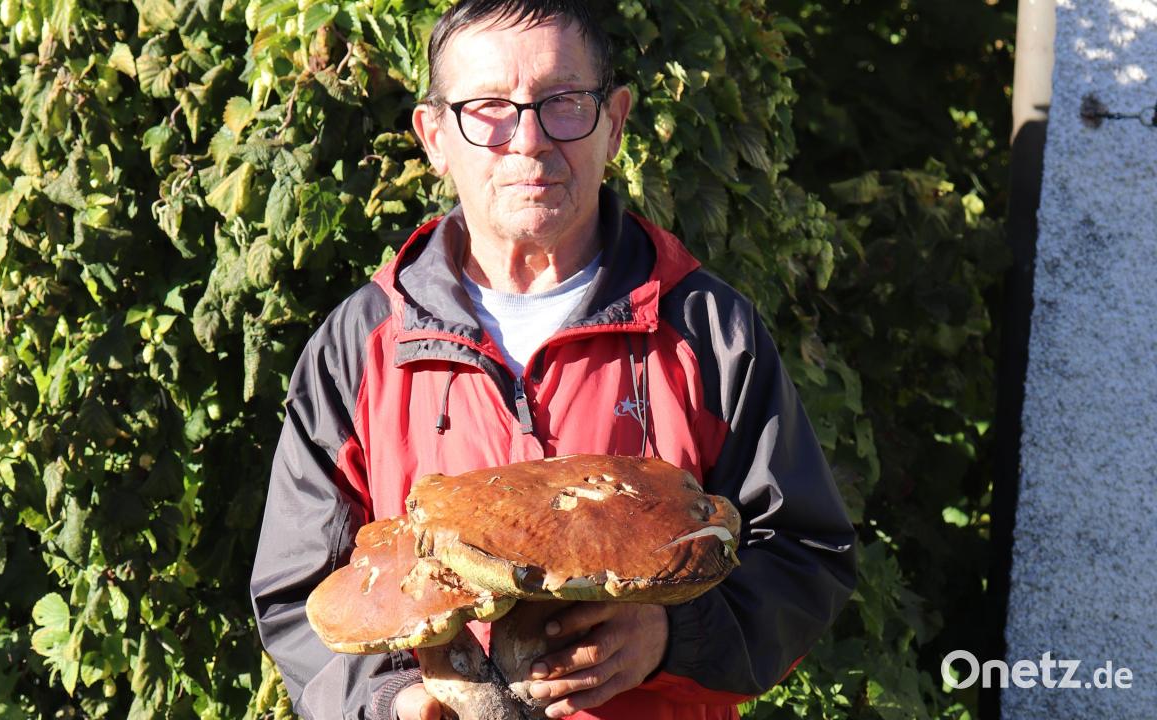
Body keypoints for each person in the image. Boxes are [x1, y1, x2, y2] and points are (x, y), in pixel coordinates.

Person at [249, 1, 856, 718]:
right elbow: (298, 595)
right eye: (489, 109)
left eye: (563, 102)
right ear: (435, 135)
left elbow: (805, 554)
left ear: (615, 121)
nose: (529, 140)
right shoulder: (363, 347)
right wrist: (392, 700)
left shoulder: (706, 330)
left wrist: (670, 633)